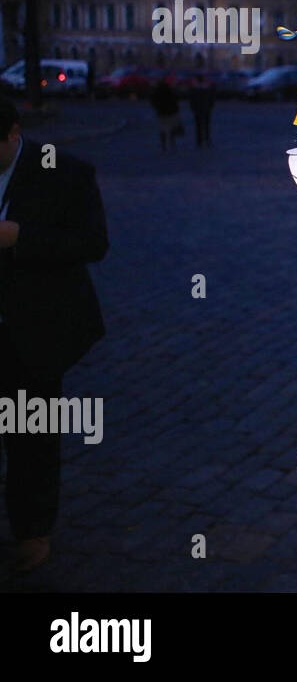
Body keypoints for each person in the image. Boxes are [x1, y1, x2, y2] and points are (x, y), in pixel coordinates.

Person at [0, 97, 109, 573]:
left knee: (31, 438)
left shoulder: (62, 171)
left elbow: (92, 243)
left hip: (32, 332)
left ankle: (33, 532)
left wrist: (20, 236)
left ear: (13, 134)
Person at [149, 80, 181, 151]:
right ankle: (172, 142)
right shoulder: (170, 92)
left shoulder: (156, 93)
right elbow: (176, 99)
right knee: (171, 127)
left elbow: (153, 101)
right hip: (171, 112)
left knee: (163, 128)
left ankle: (164, 143)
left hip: (161, 113)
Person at [188, 74, 216, 148]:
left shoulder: (194, 88)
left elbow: (191, 100)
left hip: (198, 109)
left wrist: (193, 107)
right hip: (206, 108)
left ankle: (199, 140)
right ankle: (206, 139)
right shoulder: (207, 88)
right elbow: (211, 99)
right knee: (206, 125)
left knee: (198, 125)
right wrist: (211, 106)